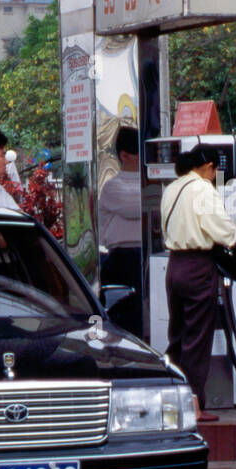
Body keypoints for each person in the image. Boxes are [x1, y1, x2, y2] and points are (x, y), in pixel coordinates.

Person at [160, 144, 236, 423]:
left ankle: (174, 401)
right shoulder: (204, 189)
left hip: (174, 266)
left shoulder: (171, 188)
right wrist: (234, 239)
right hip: (198, 267)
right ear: (208, 166)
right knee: (197, 339)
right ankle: (194, 406)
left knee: (177, 336)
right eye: (215, 169)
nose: (214, 175)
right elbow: (221, 228)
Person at [99, 126, 144, 335]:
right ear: (124, 155)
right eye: (139, 152)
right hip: (122, 259)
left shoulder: (151, 184)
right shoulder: (112, 187)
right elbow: (137, 208)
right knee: (124, 321)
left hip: (148, 256)